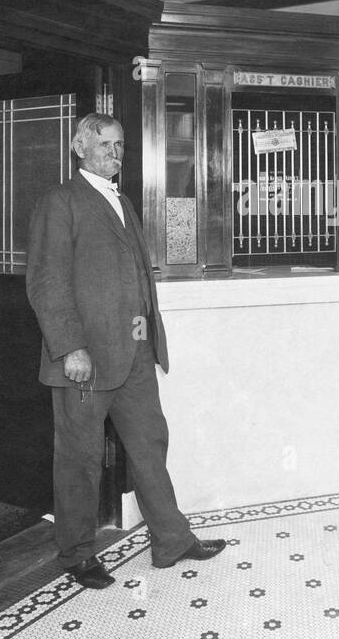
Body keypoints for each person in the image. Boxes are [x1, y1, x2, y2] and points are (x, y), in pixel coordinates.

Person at [26, 113, 226, 589]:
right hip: (84, 361)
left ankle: (172, 539)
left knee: (150, 446)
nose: (115, 154)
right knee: (81, 457)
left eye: (120, 146)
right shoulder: (61, 201)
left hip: (134, 353)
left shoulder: (122, 201)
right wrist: (71, 348)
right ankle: (76, 554)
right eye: (105, 145)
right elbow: (47, 281)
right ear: (80, 147)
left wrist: (146, 331)